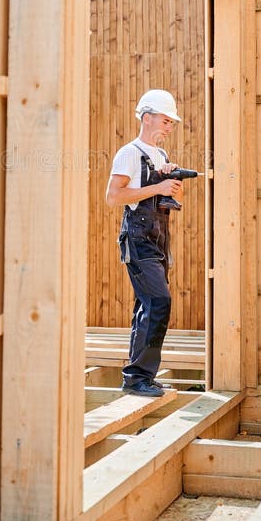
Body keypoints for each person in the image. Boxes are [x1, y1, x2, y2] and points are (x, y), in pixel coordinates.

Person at [105, 89, 183, 397]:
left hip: (158, 240)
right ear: (147, 117)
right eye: (165, 121)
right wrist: (158, 186)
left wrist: (170, 186)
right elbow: (113, 197)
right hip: (137, 241)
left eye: (171, 124)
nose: (168, 128)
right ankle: (138, 376)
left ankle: (139, 377)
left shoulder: (160, 156)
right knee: (158, 302)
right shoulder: (129, 153)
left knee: (146, 307)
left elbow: (167, 196)